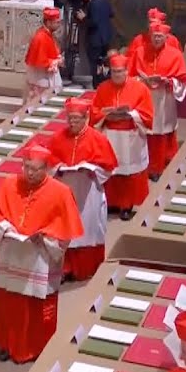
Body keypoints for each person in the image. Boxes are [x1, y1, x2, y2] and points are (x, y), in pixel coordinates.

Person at [0, 145, 84, 364]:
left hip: (40, 258)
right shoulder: (9, 184)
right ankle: (7, 344)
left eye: (36, 169)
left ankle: (34, 348)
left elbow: (65, 235)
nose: (30, 173)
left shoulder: (60, 192)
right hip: (12, 254)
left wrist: (45, 239)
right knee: (9, 302)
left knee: (35, 307)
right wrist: (6, 228)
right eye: (26, 167)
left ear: (47, 168)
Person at [47, 98, 118, 281]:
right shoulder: (57, 138)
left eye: (76, 119)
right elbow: (48, 161)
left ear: (86, 118)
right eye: (69, 118)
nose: (72, 123)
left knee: (88, 228)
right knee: (64, 229)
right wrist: (59, 167)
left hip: (89, 190)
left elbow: (109, 167)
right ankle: (65, 268)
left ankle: (84, 268)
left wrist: (91, 169)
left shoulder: (98, 139)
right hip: (65, 188)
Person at [90, 54, 154, 220]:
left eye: (120, 71)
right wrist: (106, 115)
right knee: (111, 171)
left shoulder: (140, 89)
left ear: (126, 71)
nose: (117, 75)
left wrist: (131, 114)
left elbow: (147, 114)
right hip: (110, 135)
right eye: (114, 72)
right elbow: (94, 111)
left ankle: (127, 205)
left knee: (128, 173)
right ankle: (112, 202)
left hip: (131, 136)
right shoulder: (103, 88)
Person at [129, 21, 186, 180]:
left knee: (160, 133)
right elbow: (131, 76)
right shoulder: (140, 52)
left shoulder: (175, 54)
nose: (157, 39)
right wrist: (141, 80)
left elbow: (182, 80)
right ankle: (141, 167)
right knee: (143, 132)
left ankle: (157, 168)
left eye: (160, 36)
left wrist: (169, 81)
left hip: (163, 99)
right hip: (144, 97)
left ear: (166, 37)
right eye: (154, 36)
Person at [24, 7, 65, 103]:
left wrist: (57, 59)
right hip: (41, 78)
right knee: (37, 104)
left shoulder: (48, 34)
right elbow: (40, 61)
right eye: (57, 22)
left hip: (46, 77)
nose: (59, 25)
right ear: (49, 22)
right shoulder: (41, 37)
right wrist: (55, 62)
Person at [78, 0, 114, 86]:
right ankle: (105, 81)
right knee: (104, 62)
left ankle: (96, 84)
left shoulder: (93, 3)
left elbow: (93, 22)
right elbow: (111, 13)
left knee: (94, 63)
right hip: (106, 38)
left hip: (95, 39)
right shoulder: (104, 0)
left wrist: (84, 18)